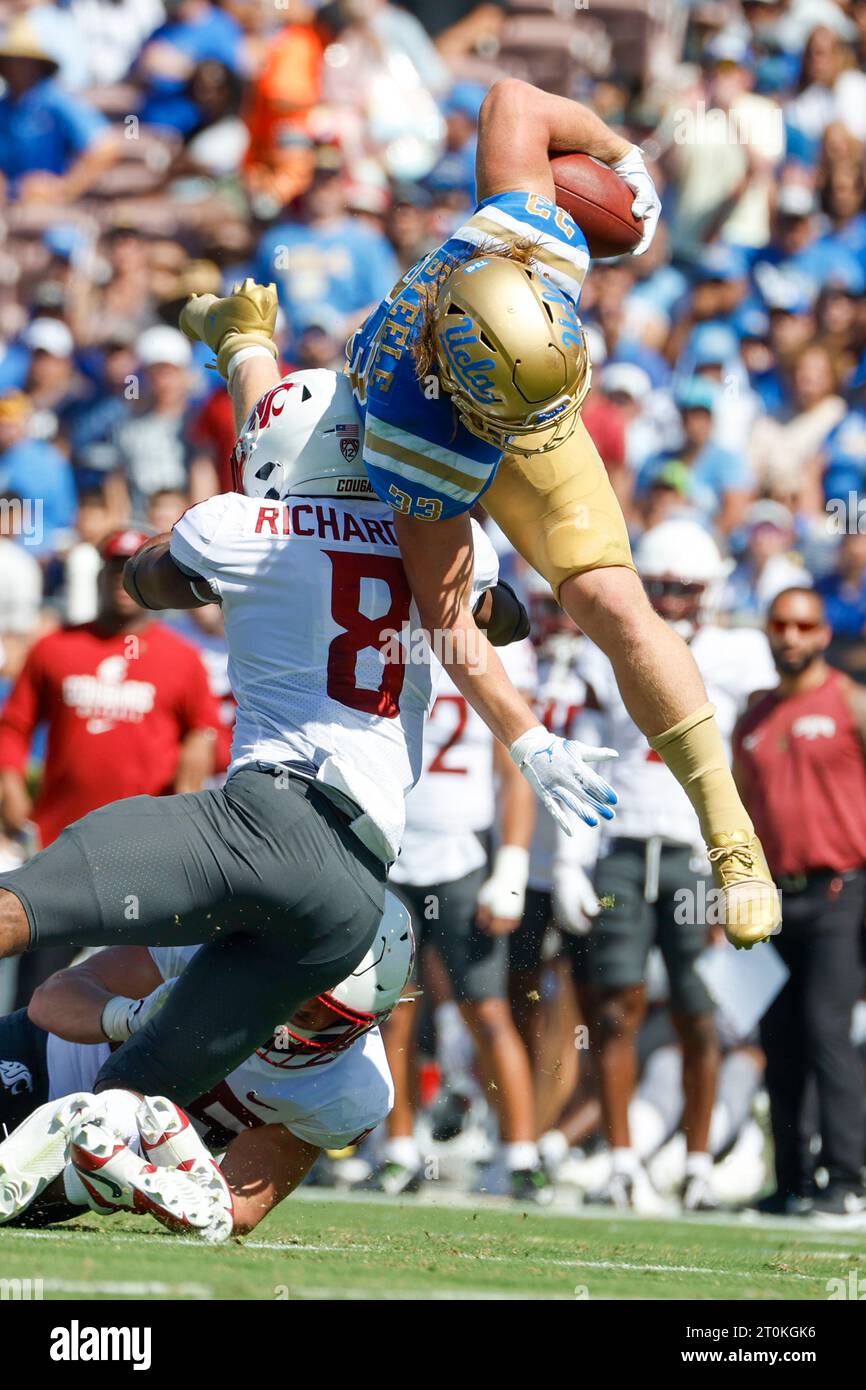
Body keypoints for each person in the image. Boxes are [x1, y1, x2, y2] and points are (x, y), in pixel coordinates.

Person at [182, 77, 781, 950]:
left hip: (494, 390)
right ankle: (243, 344)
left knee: (613, 601)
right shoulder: (411, 435)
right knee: (284, 459)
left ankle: (732, 838)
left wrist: (623, 154)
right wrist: (526, 736)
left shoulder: (531, 235)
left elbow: (511, 98)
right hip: (406, 425)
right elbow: (448, 620)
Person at [0, 360, 607, 1220]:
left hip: (268, 814)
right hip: (355, 892)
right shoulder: (443, 539)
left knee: (23, 907)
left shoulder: (244, 522)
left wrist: (162, 559)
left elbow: (148, 578)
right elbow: (499, 615)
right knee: (127, 1096)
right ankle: (104, 1153)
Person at [0, 893, 413, 1238]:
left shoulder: (352, 1089)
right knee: (110, 1115)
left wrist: (137, 1183)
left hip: (90, 1166)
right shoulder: (216, 949)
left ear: (361, 1024)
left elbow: (233, 1208)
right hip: (36, 1060)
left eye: (309, 1010)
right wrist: (130, 1017)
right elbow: (51, 999)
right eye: (287, 984)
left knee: (98, 1137)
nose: (285, 1012)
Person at [572, 521, 777, 1212]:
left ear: (711, 588)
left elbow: (754, 760)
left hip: (698, 852)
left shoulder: (741, 655)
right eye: (658, 585)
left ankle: (694, 1158)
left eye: (683, 588)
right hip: (625, 843)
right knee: (616, 1007)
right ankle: (623, 1158)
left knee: (700, 1011)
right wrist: (574, 856)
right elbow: (590, 752)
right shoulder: (609, 647)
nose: (670, 598)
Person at [374, 636, 544, 1202]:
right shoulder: (387, 632)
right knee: (389, 1011)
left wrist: (513, 862)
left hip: (461, 852)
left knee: (487, 1009)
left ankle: (522, 1152)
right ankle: (396, 1149)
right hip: (391, 848)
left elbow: (515, 765)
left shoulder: (495, 651)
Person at [733, 586, 866, 1218]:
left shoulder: (850, 701)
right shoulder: (753, 716)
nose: (790, 635)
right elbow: (736, 816)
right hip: (771, 900)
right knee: (777, 1037)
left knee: (826, 1030)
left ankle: (847, 1178)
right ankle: (790, 1181)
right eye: (780, 623)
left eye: (803, 625)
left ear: (821, 633)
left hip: (843, 891)